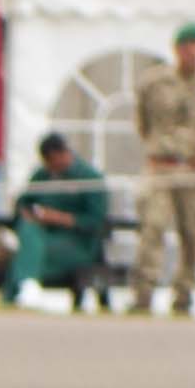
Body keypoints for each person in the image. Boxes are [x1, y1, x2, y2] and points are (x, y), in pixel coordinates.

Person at [127, 24, 195, 314]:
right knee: (153, 226)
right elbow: (142, 123)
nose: (191, 51)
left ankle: (184, 293)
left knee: (193, 231)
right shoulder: (154, 84)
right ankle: (143, 292)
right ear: (176, 48)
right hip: (162, 168)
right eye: (185, 45)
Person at [15, 128, 117, 302]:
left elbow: (95, 222)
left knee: (29, 248)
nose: (51, 166)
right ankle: (25, 286)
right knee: (29, 234)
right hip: (43, 236)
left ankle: (23, 286)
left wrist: (58, 218)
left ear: (62, 153)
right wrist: (28, 214)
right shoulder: (42, 175)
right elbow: (23, 202)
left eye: (53, 160)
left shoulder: (90, 177)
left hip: (78, 243)